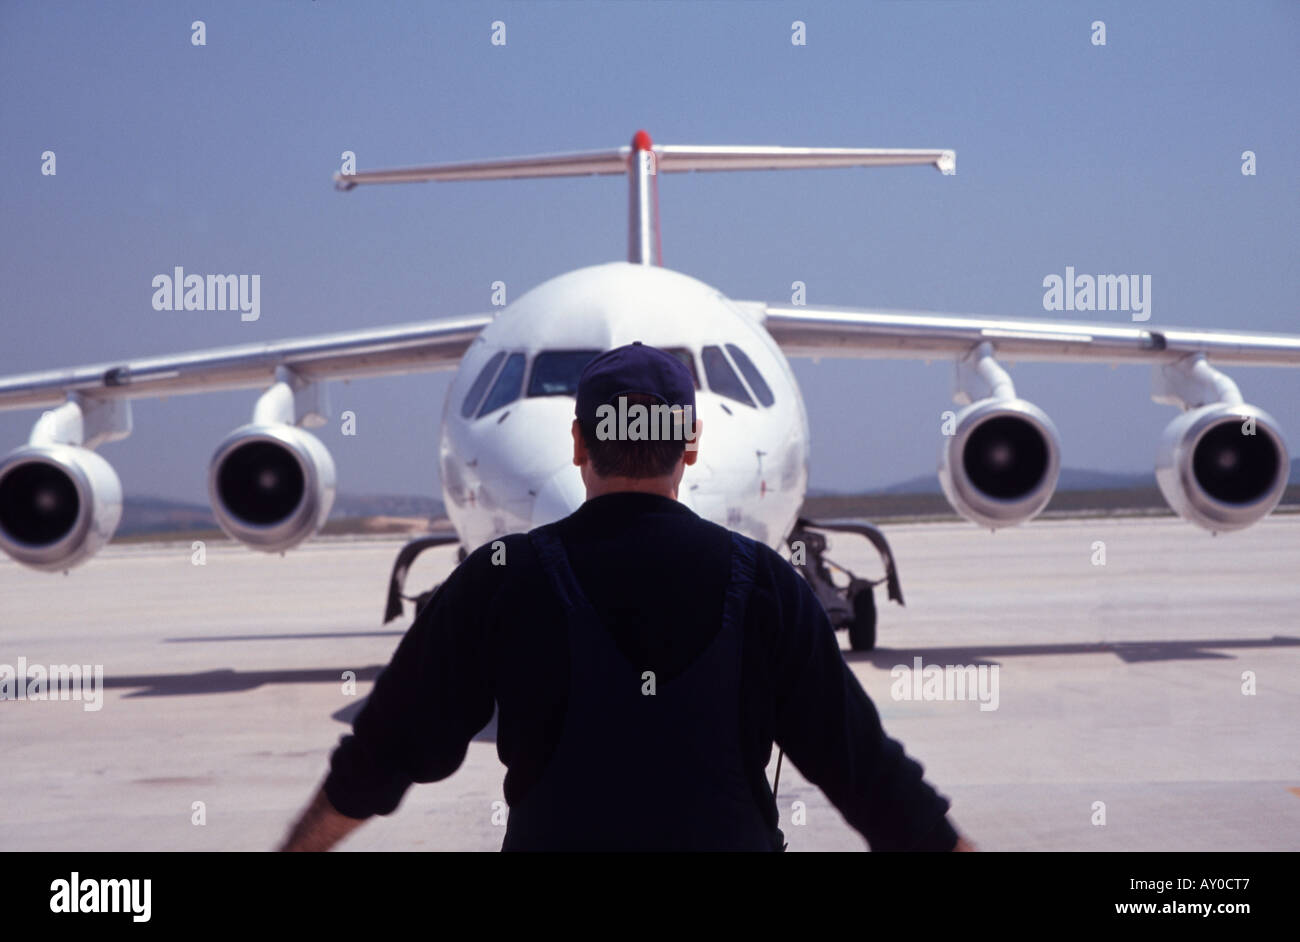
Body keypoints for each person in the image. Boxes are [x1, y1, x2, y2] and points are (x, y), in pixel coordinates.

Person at [280, 341, 972, 852]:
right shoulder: (768, 587)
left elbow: (382, 755)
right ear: (690, 445)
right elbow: (872, 781)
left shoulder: (498, 578)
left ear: (579, 442)